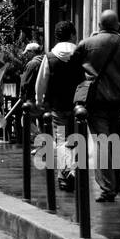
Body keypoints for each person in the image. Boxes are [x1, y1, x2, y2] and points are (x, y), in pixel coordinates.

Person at [75, 10, 120, 202]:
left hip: (96, 101)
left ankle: (107, 188)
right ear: (118, 25)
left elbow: (75, 68)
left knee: (102, 143)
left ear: (99, 25)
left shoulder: (86, 44)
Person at [34, 21, 80, 190]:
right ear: (73, 35)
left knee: (61, 140)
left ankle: (63, 175)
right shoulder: (79, 54)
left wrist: (39, 101)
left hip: (58, 106)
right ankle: (74, 171)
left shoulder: (50, 57)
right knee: (77, 139)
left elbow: (41, 82)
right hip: (78, 106)